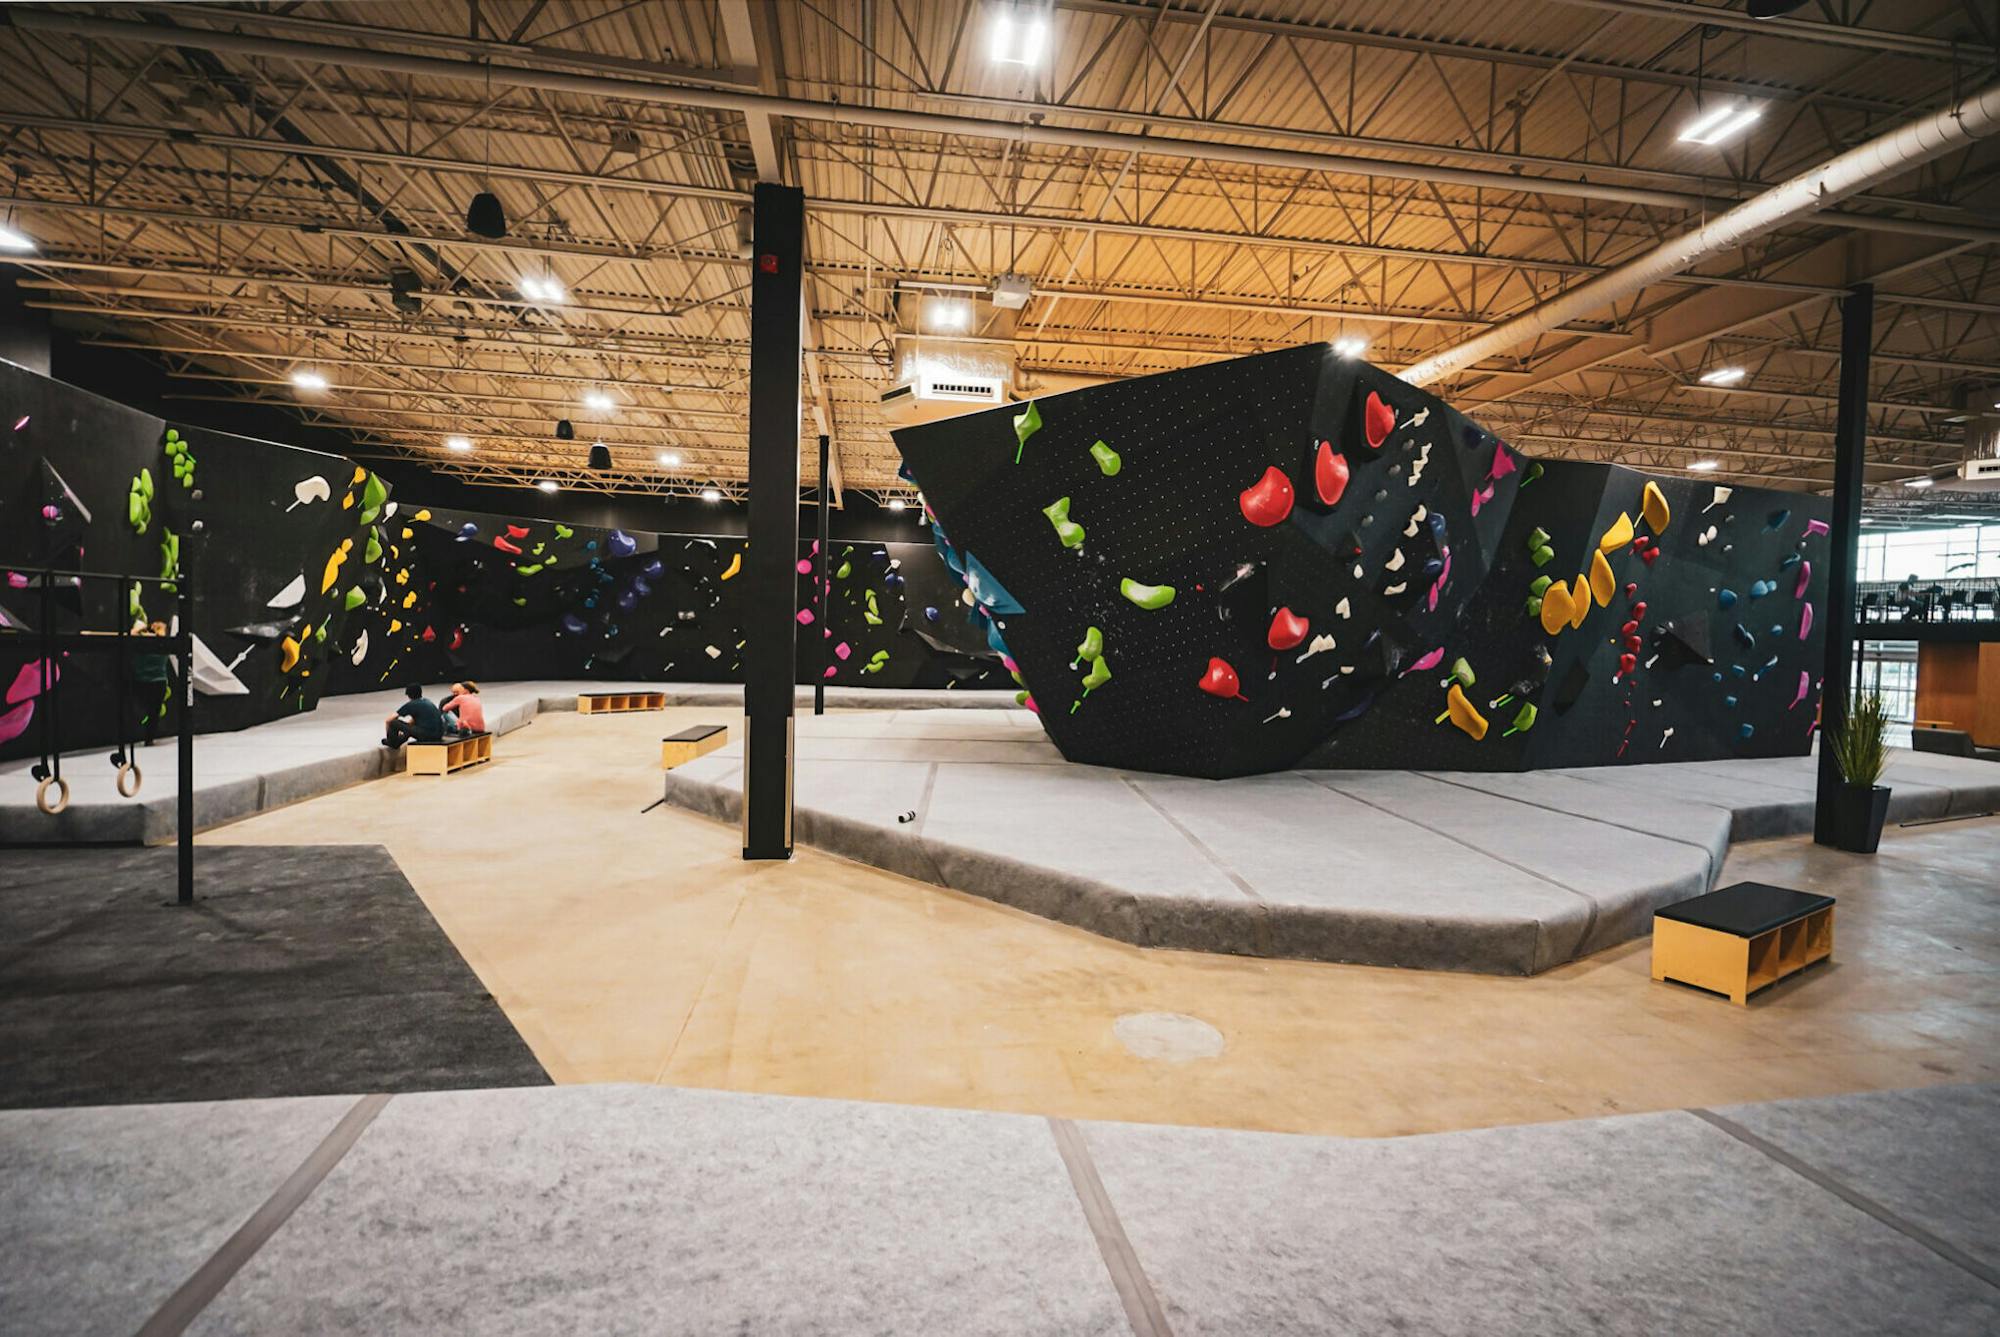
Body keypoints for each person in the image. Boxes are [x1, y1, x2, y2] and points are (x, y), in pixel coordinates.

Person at [382, 683, 447, 748]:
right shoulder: (427, 701)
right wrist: (404, 729)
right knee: (410, 727)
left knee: (393, 722)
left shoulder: (412, 704)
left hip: (427, 735)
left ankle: (392, 743)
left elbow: (389, 720)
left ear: (408, 695)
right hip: (439, 735)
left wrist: (389, 737)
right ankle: (398, 741)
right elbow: (413, 721)